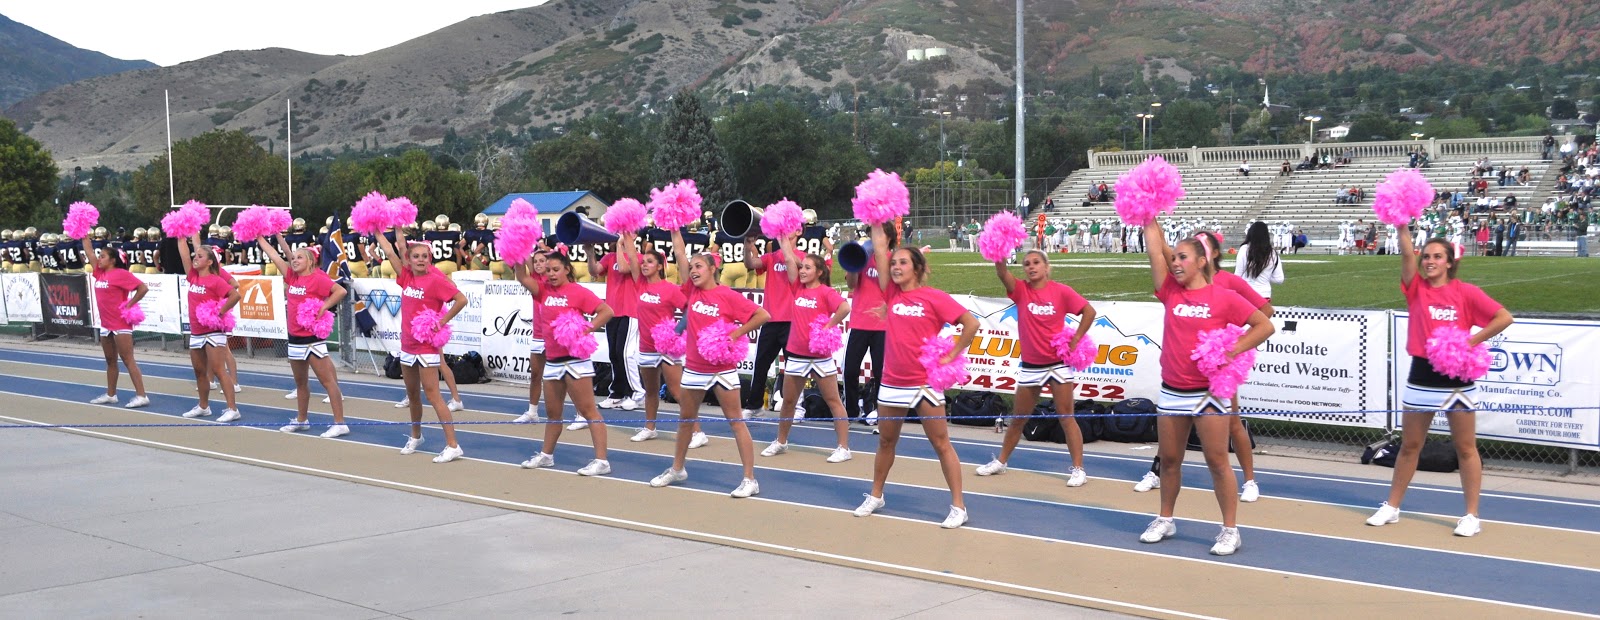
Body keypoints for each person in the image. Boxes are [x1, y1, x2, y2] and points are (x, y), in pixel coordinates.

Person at [1367, 224, 1514, 536]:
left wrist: (1469, 343)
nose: (1429, 261)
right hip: (1421, 376)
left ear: (1450, 262)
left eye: (1437, 257)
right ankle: (1392, 506)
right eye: (1427, 256)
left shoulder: (1466, 293)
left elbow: (1504, 317)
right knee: (1410, 446)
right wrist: (1402, 225)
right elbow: (1407, 253)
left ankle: (1471, 515)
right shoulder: (1416, 288)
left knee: (1465, 448)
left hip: (1457, 379)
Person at [1137, 220, 1274, 555]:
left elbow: (1264, 324)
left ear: (1201, 261)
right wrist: (1148, 214)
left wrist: (1232, 350)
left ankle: (1230, 530)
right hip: (1172, 390)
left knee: (1216, 461)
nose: (1175, 262)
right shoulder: (1170, 290)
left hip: (1208, 394)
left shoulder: (1224, 297)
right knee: (1169, 460)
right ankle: (1165, 518)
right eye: (1174, 258)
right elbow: (1156, 248)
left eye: (1182, 257)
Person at [852, 226, 980, 528]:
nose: (895, 267)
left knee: (941, 443)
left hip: (923, 383)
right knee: (886, 442)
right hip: (892, 382)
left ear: (917, 268)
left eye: (903, 263)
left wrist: (952, 353)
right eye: (894, 263)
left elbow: (970, 324)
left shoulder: (934, 298)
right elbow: (880, 249)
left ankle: (959, 506)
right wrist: (876, 217)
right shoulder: (891, 293)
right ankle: (876, 495)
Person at [651, 229, 770, 497]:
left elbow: (762, 314)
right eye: (691, 267)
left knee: (736, 422)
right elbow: (679, 253)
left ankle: (750, 479)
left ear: (713, 269)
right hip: (693, 368)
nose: (693, 270)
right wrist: (673, 229)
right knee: (685, 420)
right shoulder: (690, 290)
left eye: (699, 266)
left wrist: (736, 333)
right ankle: (678, 469)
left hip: (722, 370)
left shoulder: (727, 295)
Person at [975, 249, 1095, 485]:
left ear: (1046, 267)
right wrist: (999, 249)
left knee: (1066, 417)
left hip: (1058, 364)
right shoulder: (1021, 291)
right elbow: (1001, 272)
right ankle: (1001, 461)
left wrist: (1076, 338)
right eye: (1027, 264)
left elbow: (1089, 311)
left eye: (1036, 263)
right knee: (1019, 418)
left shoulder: (1061, 292)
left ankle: (1078, 468)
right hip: (1031, 366)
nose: (1031, 267)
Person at [514, 251, 615, 476]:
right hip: (553, 361)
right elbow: (521, 276)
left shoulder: (578, 292)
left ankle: (602, 461)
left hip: (576, 361)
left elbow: (606, 311)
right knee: (553, 413)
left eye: (556, 270)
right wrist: (518, 247)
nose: (551, 274)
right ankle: (547, 455)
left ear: (567, 270)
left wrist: (587, 328)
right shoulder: (543, 291)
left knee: (589, 410)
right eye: (548, 270)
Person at [374, 228, 468, 463]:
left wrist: (442, 320)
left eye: (425, 256)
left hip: (426, 347)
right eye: (416, 257)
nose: (420, 260)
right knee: (412, 395)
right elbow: (391, 249)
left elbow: (461, 300)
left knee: (434, 396)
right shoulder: (406, 276)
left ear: (430, 258)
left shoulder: (436, 280)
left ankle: (453, 445)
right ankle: (416, 437)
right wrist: (378, 229)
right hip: (407, 346)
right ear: (409, 259)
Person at [762, 238, 853, 463]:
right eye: (802, 267)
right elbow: (789, 259)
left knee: (833, 400)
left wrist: (828, 327)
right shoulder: (796, 287)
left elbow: (845, 307)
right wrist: (783, 237)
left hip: (820, 357)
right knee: (789, 401)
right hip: (796, 354)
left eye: (807, 267)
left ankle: (844, 447)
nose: (802, 271)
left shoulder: (825, 292)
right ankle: (781, 441)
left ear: (820, 272)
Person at [259, 236, 350, 438]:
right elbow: (274, 255)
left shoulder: (318, 278)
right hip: (294, 338)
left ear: (310, 261)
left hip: (312, 340)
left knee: (328, 382)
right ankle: (302, 419)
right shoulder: (293, 277)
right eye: (294, 257)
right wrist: (264, 236)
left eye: (300, 257)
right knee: (301, 384)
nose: (295, 260)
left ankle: (340, 423)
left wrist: (324, 307)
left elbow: (340, 291)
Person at [628, 245, 708, 448]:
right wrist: (625, 233)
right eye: (643, 261)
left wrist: (677, 331)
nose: (644, 265)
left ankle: (697, 431)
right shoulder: (640, 285)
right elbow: (630, 252)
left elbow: (690, 309)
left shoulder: (670, 289)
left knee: (677, 390)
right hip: (646, 347)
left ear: (660, 266)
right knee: (651, 390)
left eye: (650, 262)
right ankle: (650, 427)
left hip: (666, 348)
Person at [81, 233, 151, 409]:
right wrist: (83, 234)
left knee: (128, 360)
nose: (99, 259)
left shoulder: (121, 274)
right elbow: (89, 252)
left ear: (112, 260)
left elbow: (143, 288)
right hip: (106, 324)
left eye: (103, 256)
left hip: (120, 323)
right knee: (110, 360)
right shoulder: (100, 273)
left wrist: (130, 304)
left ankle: (142, 395)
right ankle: (111, 394)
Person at [177, 233, 242, 422]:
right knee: (199, 371)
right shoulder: (193, 277)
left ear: (210, 262)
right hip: (196, 331)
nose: (195, 259)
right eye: (195, 256)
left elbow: (235, 296)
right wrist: (181, 235)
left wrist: (220, 313)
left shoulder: (216, 280)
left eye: (200, 257)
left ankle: (232, 408)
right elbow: (184, 256)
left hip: (213, 331)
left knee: (219, 370)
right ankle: (203, 406)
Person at [741, 232, 801, 417]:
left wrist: (784, 244)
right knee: (761, 364)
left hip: (793, 320)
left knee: (794, 367)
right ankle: (754, 405)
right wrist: (747, 245)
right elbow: (751, 264)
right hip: (771, 319)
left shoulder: (803, 256)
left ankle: (797, 407)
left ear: (798, 232)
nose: (784, 232)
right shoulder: (772, 257)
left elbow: (794, 263)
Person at [843, 225, 893, 426]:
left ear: (888, 237)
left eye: (878, 233)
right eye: (871, 233)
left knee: (881, 373)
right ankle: (851, 411)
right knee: (850, 370)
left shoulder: (893, 260)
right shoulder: (863, 257)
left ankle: (882, 413)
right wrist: (853, 264)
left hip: (883, 326)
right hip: (860, 322)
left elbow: (887, 286)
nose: (873, 237)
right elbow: (851, 285)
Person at [590, 236, 644, 412]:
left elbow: (623, 268)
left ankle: (635, 393)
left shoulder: (639, 258)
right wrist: (589, 251)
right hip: (612, 312)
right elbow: (594, 271)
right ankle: (617, 394)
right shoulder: (610, 257)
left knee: (625, 354)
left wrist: (621, 244)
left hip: (630, 311)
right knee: (613, 354)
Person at [512, 246, 551, 424]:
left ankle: (581, 414)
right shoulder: (534, 279)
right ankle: (532, 411)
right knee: (535, 374)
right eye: (536, 262)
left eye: (542, 261)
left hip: (554, 335)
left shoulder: (554, 280)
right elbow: (524, 258)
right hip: (538, 334)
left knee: (564, 377)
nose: (538, 264)